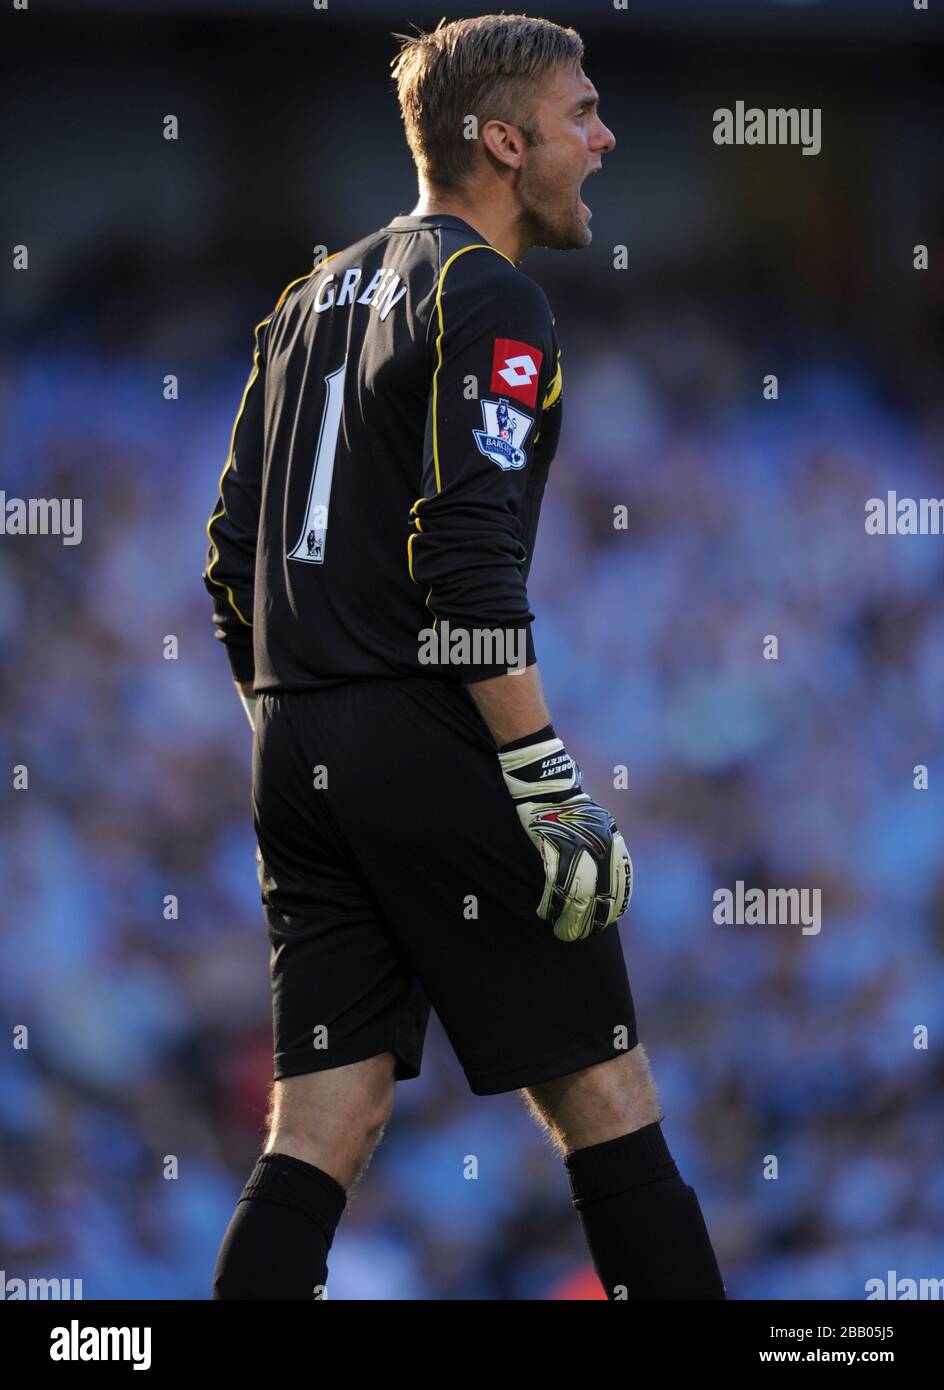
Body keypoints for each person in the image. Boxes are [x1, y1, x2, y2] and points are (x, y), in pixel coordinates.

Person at [204, 12, 725, 1301]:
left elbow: (228, 556)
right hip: (426, 733)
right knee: (605, 1087)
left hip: (297, 744)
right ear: (503, 141)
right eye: (582, 114)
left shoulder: (306, 297)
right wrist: (545, 780)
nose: (603, 141)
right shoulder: (493, 295)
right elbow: (467, 564)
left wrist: (301, 715)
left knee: (323, 1122)